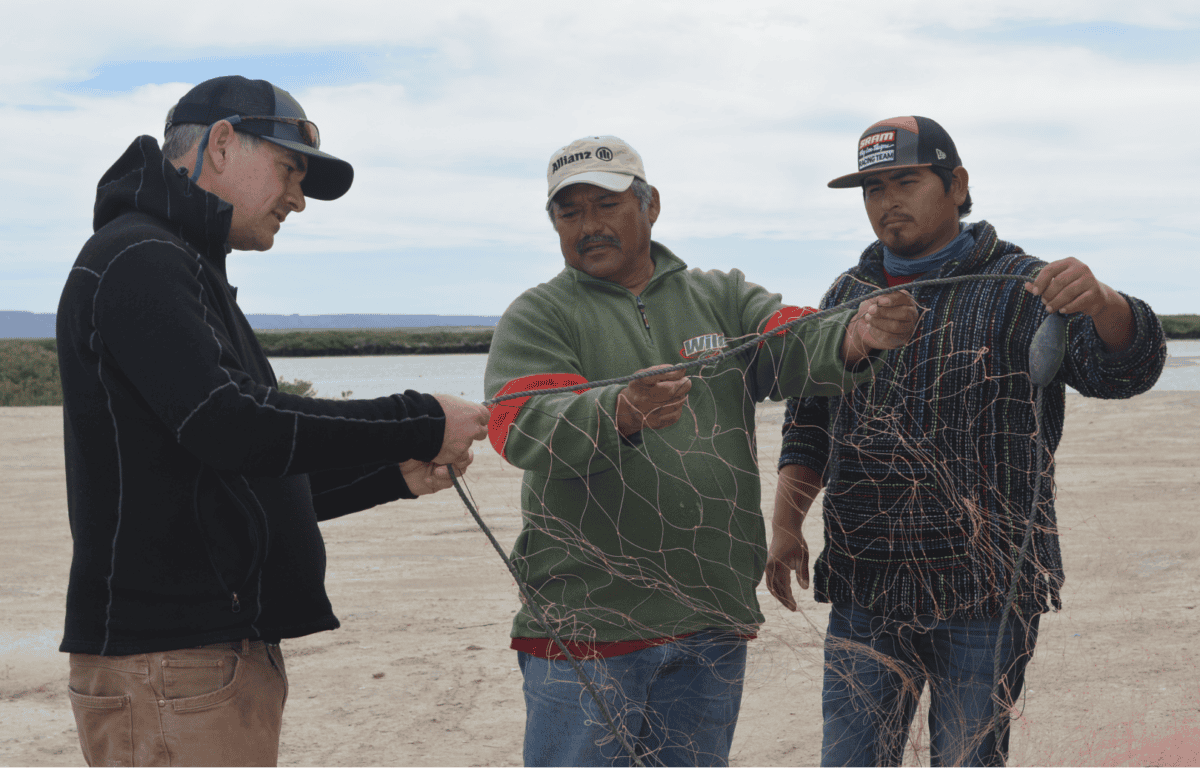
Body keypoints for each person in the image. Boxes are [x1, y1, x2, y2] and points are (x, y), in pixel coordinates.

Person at [55, 75, 489, 768]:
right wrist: (418, 420)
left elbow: (234, 478)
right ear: (221, 145)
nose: (297, 200)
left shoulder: (178, 265)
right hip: (170, 663)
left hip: (200, 661)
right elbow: (232, 426)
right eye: (290, 170)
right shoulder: (141, 257)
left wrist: (391, 474)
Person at [483, 135, 920, 767]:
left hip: (711, 619)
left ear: (650, 205)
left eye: (605, 204)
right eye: (568, 212)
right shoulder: (538, 316)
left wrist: (858, 333)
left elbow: (794, 341)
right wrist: (619, 411)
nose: (589, 225)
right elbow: (518, 424)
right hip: (587, 630)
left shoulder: (722, 296)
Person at [765, 116, 1167, 767]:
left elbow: (1121, 369)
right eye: (872, 188)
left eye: (905, 180)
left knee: (968, 758)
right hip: (864, 589)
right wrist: (786, 528)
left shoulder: (1025, 287)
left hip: (988, 594)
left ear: (956, 184)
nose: (887, 201)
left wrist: (1104, 303)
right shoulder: (846, 297)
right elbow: (809, 423)